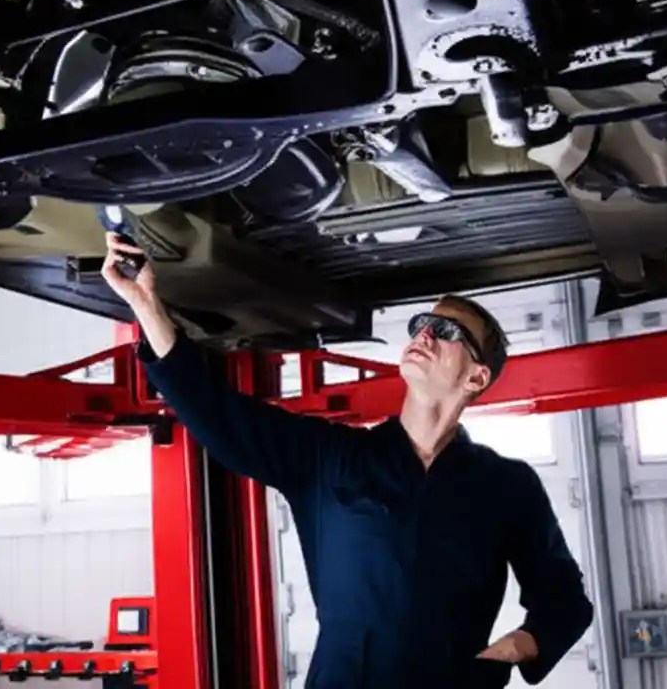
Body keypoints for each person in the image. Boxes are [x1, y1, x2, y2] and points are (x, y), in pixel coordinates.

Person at [100, 232, 594, 688]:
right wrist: (145, 304)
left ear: (476, 378)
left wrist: (516, 649)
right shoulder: (331, 457)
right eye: (422, 323)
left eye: (445, 331)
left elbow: (566, 604)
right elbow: (216, 413)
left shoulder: (507, 486)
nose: (423, 333)